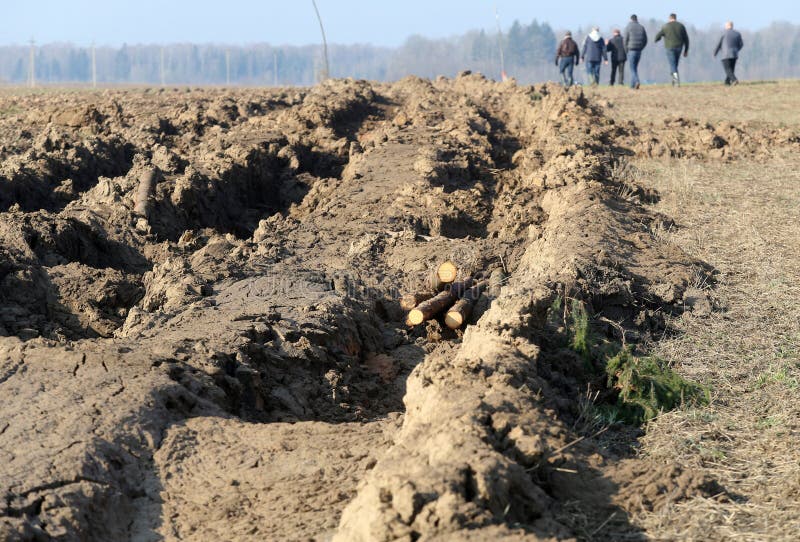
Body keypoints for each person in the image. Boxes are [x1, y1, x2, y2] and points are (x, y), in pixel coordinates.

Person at [655, 13, 690, 86]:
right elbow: (686, 39)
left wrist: (657, 39)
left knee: (673, 65)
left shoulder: (665, 26)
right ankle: (674, 80)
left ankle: (676, 81)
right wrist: (686, 50)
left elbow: (658, 36)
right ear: (675, 18)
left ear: (670, 18)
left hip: (669, 48)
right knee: (675, 65)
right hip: (679, 48)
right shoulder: (681, 26)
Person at [714, 21, 744, 85]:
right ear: (732, 26)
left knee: (728, 69)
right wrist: (737, 50)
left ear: (727, 26)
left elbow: (719, 44)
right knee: (731, 69)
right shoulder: (737, 34)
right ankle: (727, 82)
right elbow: (741, 44)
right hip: (734, 54)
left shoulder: (723, 33)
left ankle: (734, 80)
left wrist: (715, 53)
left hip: (726, 54)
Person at [624, 14, 648, 89]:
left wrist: (626, 50)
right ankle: (632, 85)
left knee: (632, 68)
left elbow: (625, 40)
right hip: (639, 50)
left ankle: (637, 81)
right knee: (634, 68)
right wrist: (641, 47)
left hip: (631, 50)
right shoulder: (641, 27)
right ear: (637, 19)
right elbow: (645, 40)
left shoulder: (628, 27)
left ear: (631, 19)